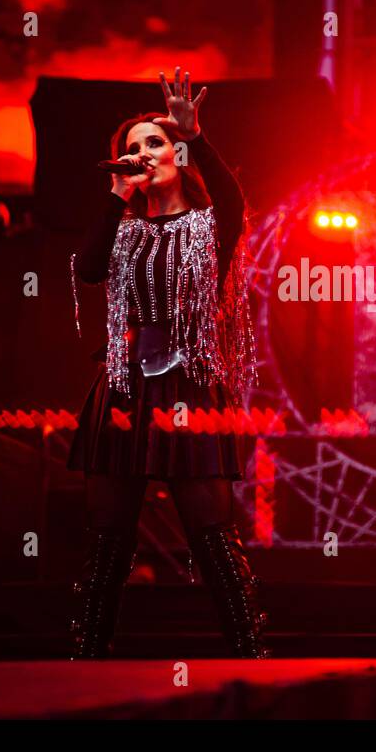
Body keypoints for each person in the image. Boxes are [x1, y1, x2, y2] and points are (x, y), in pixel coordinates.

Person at [66, 66, 268, 659]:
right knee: (108, 541)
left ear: (176, 154)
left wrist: (194, 134)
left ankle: (251, 658)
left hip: (189, 386)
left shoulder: (212, 225)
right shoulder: (123, 229)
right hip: (123, 389)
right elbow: (87, 268)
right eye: (132, 148)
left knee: (212, 538)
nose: (144, 153)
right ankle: (85, 662)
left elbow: (231, 196)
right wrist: (116, 197)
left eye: (154, 142)